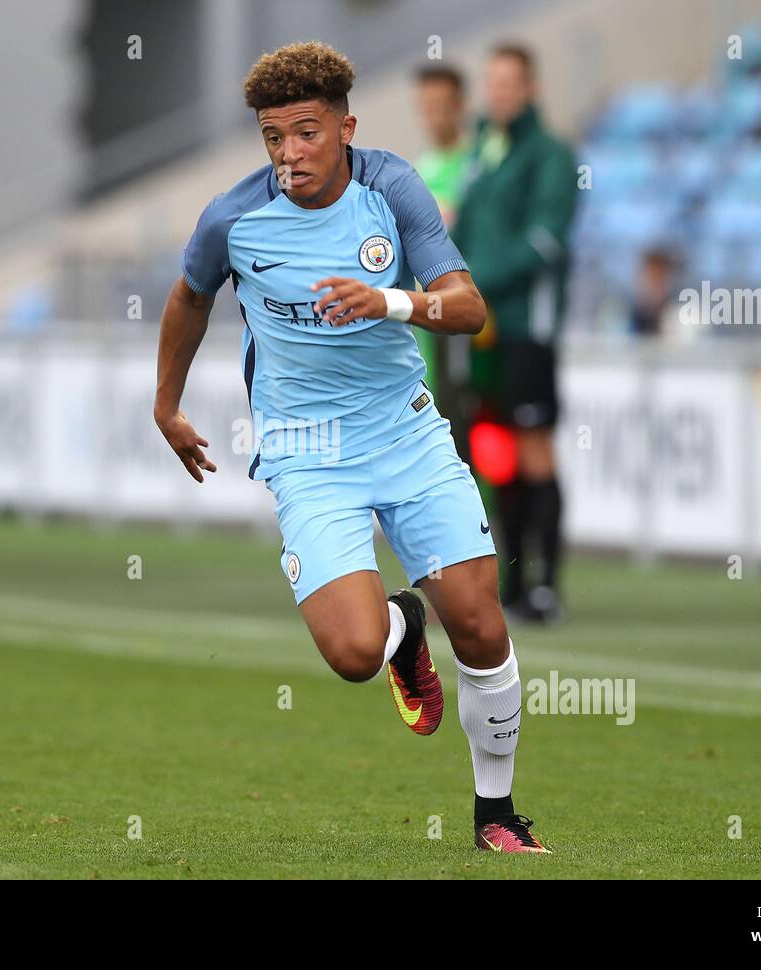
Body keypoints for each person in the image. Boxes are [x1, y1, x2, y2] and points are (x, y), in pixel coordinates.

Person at [154, 41, 548, 853]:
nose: (290, 155)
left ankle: (497, 818)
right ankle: (403, 631)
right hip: (305, 449)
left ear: (345, 126)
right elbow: (189, 297)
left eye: (306, 133)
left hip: (404, 429)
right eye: (273, 138)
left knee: (479, 625)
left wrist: (390, 302)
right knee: (354, 652)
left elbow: (468, 308)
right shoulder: (234, 216)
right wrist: (167, 407)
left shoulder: (391, 187)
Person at [451, 43, 579, 623]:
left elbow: (546, 241)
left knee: (534, 450)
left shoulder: (552, 155)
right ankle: (513, 580)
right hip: (484, 331)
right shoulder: (483, 149)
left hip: (529, 325)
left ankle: (547, 584)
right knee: (495, 452)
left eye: (509, 83)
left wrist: (474, 277)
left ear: (530, 88)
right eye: (492, 82)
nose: (498, 92)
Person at [411, 65, 472, 410]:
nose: (433, 117)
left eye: (441, 106)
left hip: (464, 320)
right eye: (426, 107)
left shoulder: (475, 166)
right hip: (425, 324)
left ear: (461, 106)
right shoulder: (420, 169)